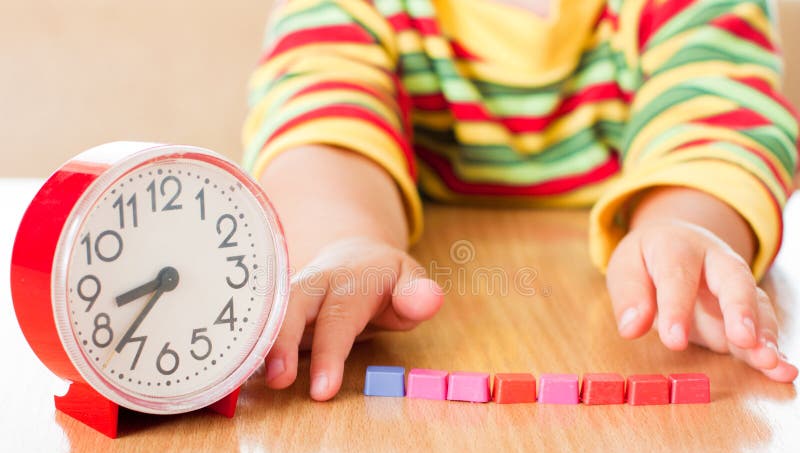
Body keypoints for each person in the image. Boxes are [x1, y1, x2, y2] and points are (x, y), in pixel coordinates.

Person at [242, 0, 799, 400]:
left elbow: (717, 123)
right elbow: (321, 122)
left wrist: (686, 229)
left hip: (606, 317)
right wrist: (342, 240)